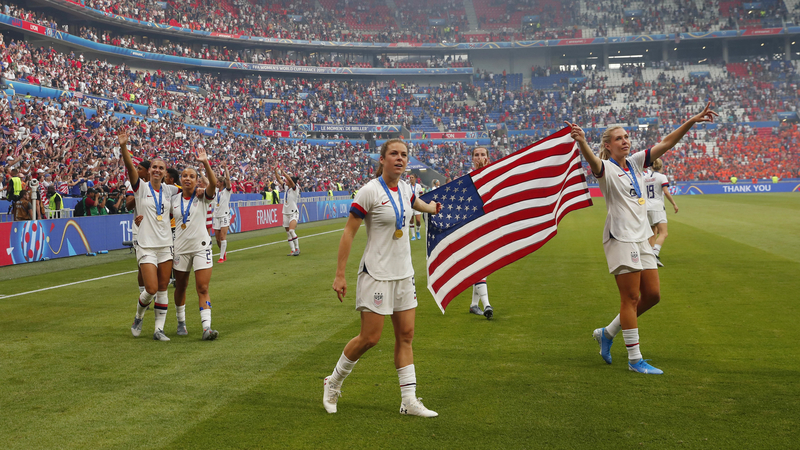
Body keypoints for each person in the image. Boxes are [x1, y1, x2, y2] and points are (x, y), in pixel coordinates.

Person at [566, 102, 717, 375]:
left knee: (653, 295)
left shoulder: (636, 162)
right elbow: (592, 161)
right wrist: (583, 144)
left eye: (626, 137)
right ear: (608, 146)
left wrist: (692, 121)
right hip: (621, 238)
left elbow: (667, 142)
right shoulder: (606, 169)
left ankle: (608, 333)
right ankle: (635, 360)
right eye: (619, 139)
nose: (625, 141)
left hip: (642, 236)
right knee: (631, 298)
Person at [325, 139, 442, 417]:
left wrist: (432, 208)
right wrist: (340, 274)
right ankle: (334, 382)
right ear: (382, 159)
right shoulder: (369, 191)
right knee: (370, 338)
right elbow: (348, 233)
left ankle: (408, 400)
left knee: (406, 336)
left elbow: (416, 204)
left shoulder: (406, 188)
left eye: (403, 155)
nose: (399, 159)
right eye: (393, 154)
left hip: (403, 274)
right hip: (376, 274)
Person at [120, 130, 180, 342]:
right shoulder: (140, 187)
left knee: (163, 289)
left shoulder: (170, 190)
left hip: (165, 245)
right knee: (151, 289)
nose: (156, 170)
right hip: (145, 245)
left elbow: (189, 191)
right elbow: (129, 167)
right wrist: (124, 147)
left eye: (160, 168)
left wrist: (199, 190)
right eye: (154, 167)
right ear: (150, 171)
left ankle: (158, 330)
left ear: (165, 173)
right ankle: (138, 316)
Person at [171, 147, 219, 341]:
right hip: (180, 249)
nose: (188, 179)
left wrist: (205, 163)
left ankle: (206, 328)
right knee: (181, 287)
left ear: (197, 180)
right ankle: (181, 322)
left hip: (201, 248)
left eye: (192, 176)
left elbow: (214, 184)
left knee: (203, 288)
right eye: (184, 176)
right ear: (181, 180)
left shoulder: (202, 197)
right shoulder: (173, 200)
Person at [469, 146, 493, 320]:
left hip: (488, 227)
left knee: (482, 267)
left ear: (488, 158)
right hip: (472, 228)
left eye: (482, 155)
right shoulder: (466, 179)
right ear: (472, 159)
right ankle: (487, 305)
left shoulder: (493, 177)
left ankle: (473, 305)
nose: (479, 157)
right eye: (476, 155)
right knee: (479, 267)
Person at [644, 159, 678, 267]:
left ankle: (648, 258)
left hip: (646, 207)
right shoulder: (661, 177)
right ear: (661, 166)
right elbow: (666, 192)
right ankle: (655, 254)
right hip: (657, 207)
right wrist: (674, 204)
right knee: (664, 233)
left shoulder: (645, 178)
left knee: (653, 233)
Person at [276, 166, 300, 256]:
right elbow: (279, 180)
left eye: (287, 181)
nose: (285, 181)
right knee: (288, 233)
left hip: (293, 212)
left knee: (291, 230)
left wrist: (284, 172)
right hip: (285, 213)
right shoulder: (286, 188)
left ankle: (297, 248)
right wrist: (275, 171)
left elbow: (289, 179)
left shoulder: (295, 189)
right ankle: (292, 250)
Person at [212, 166, 232, 263]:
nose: (216, 183)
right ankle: (223, 252)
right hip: (216, 216)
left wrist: (225, 168)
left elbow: (228, 179)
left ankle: (221, 257)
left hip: (224, 215)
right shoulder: (216, 191)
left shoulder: (227, 191)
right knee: (217, 239)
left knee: (222, 237)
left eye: (217, 182)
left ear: (221, 183)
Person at [407, 173, 423, 241]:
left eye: (412, 177)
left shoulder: (418, 186)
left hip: (417, 205)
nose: (411, 179)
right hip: (410, 205)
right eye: (410, 177)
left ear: (415, 178)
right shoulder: (407, 186)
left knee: (418, 220)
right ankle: (413, 236)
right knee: (411, 220)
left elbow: (421, 195)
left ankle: (418, 232)